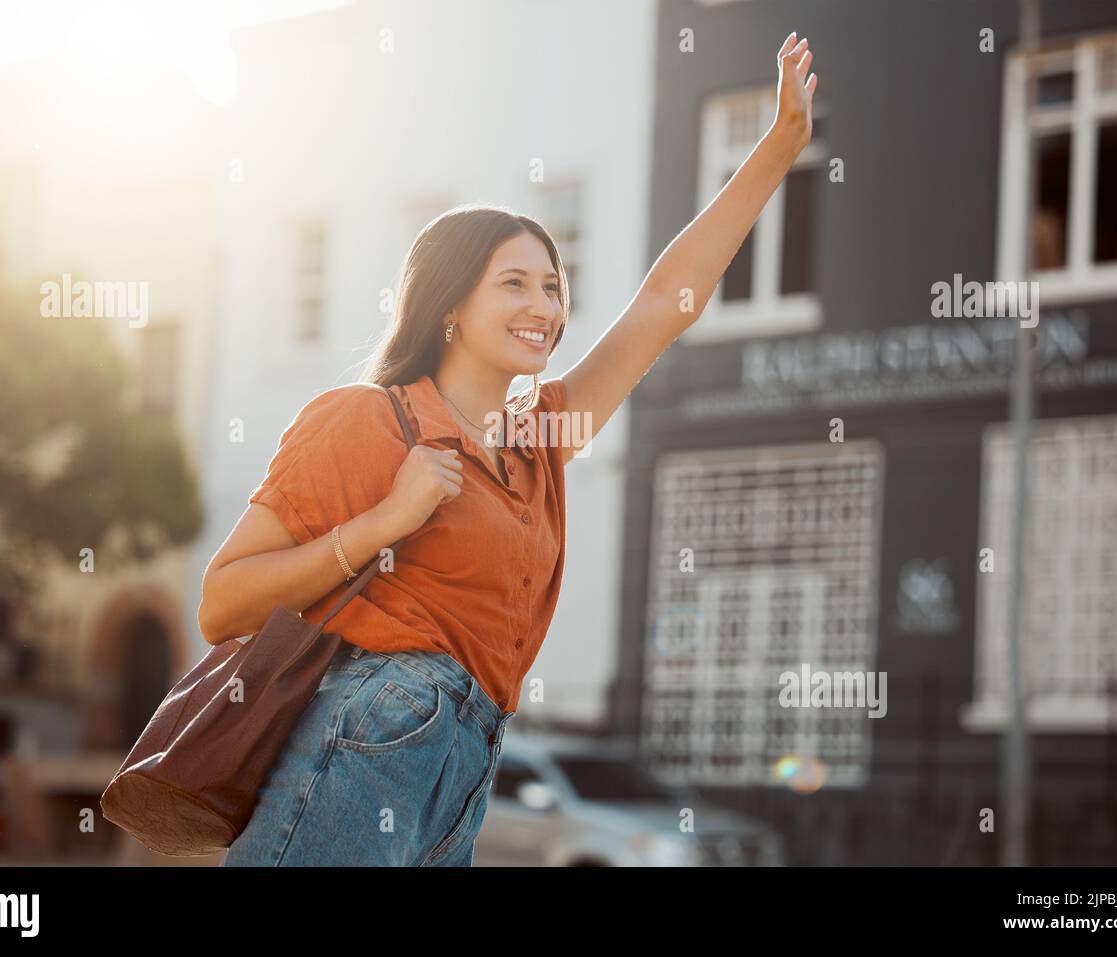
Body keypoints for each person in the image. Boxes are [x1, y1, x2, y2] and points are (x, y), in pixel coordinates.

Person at [204, 32, 817, 866]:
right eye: (516, 283)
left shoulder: (542, 440)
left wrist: (778, 148)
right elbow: (221, 604)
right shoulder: (365, 420)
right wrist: (386, 519)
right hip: (373, 731)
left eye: (555, 285)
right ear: (449, 307)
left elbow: (664, 306)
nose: (546, 305)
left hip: (470, 757)